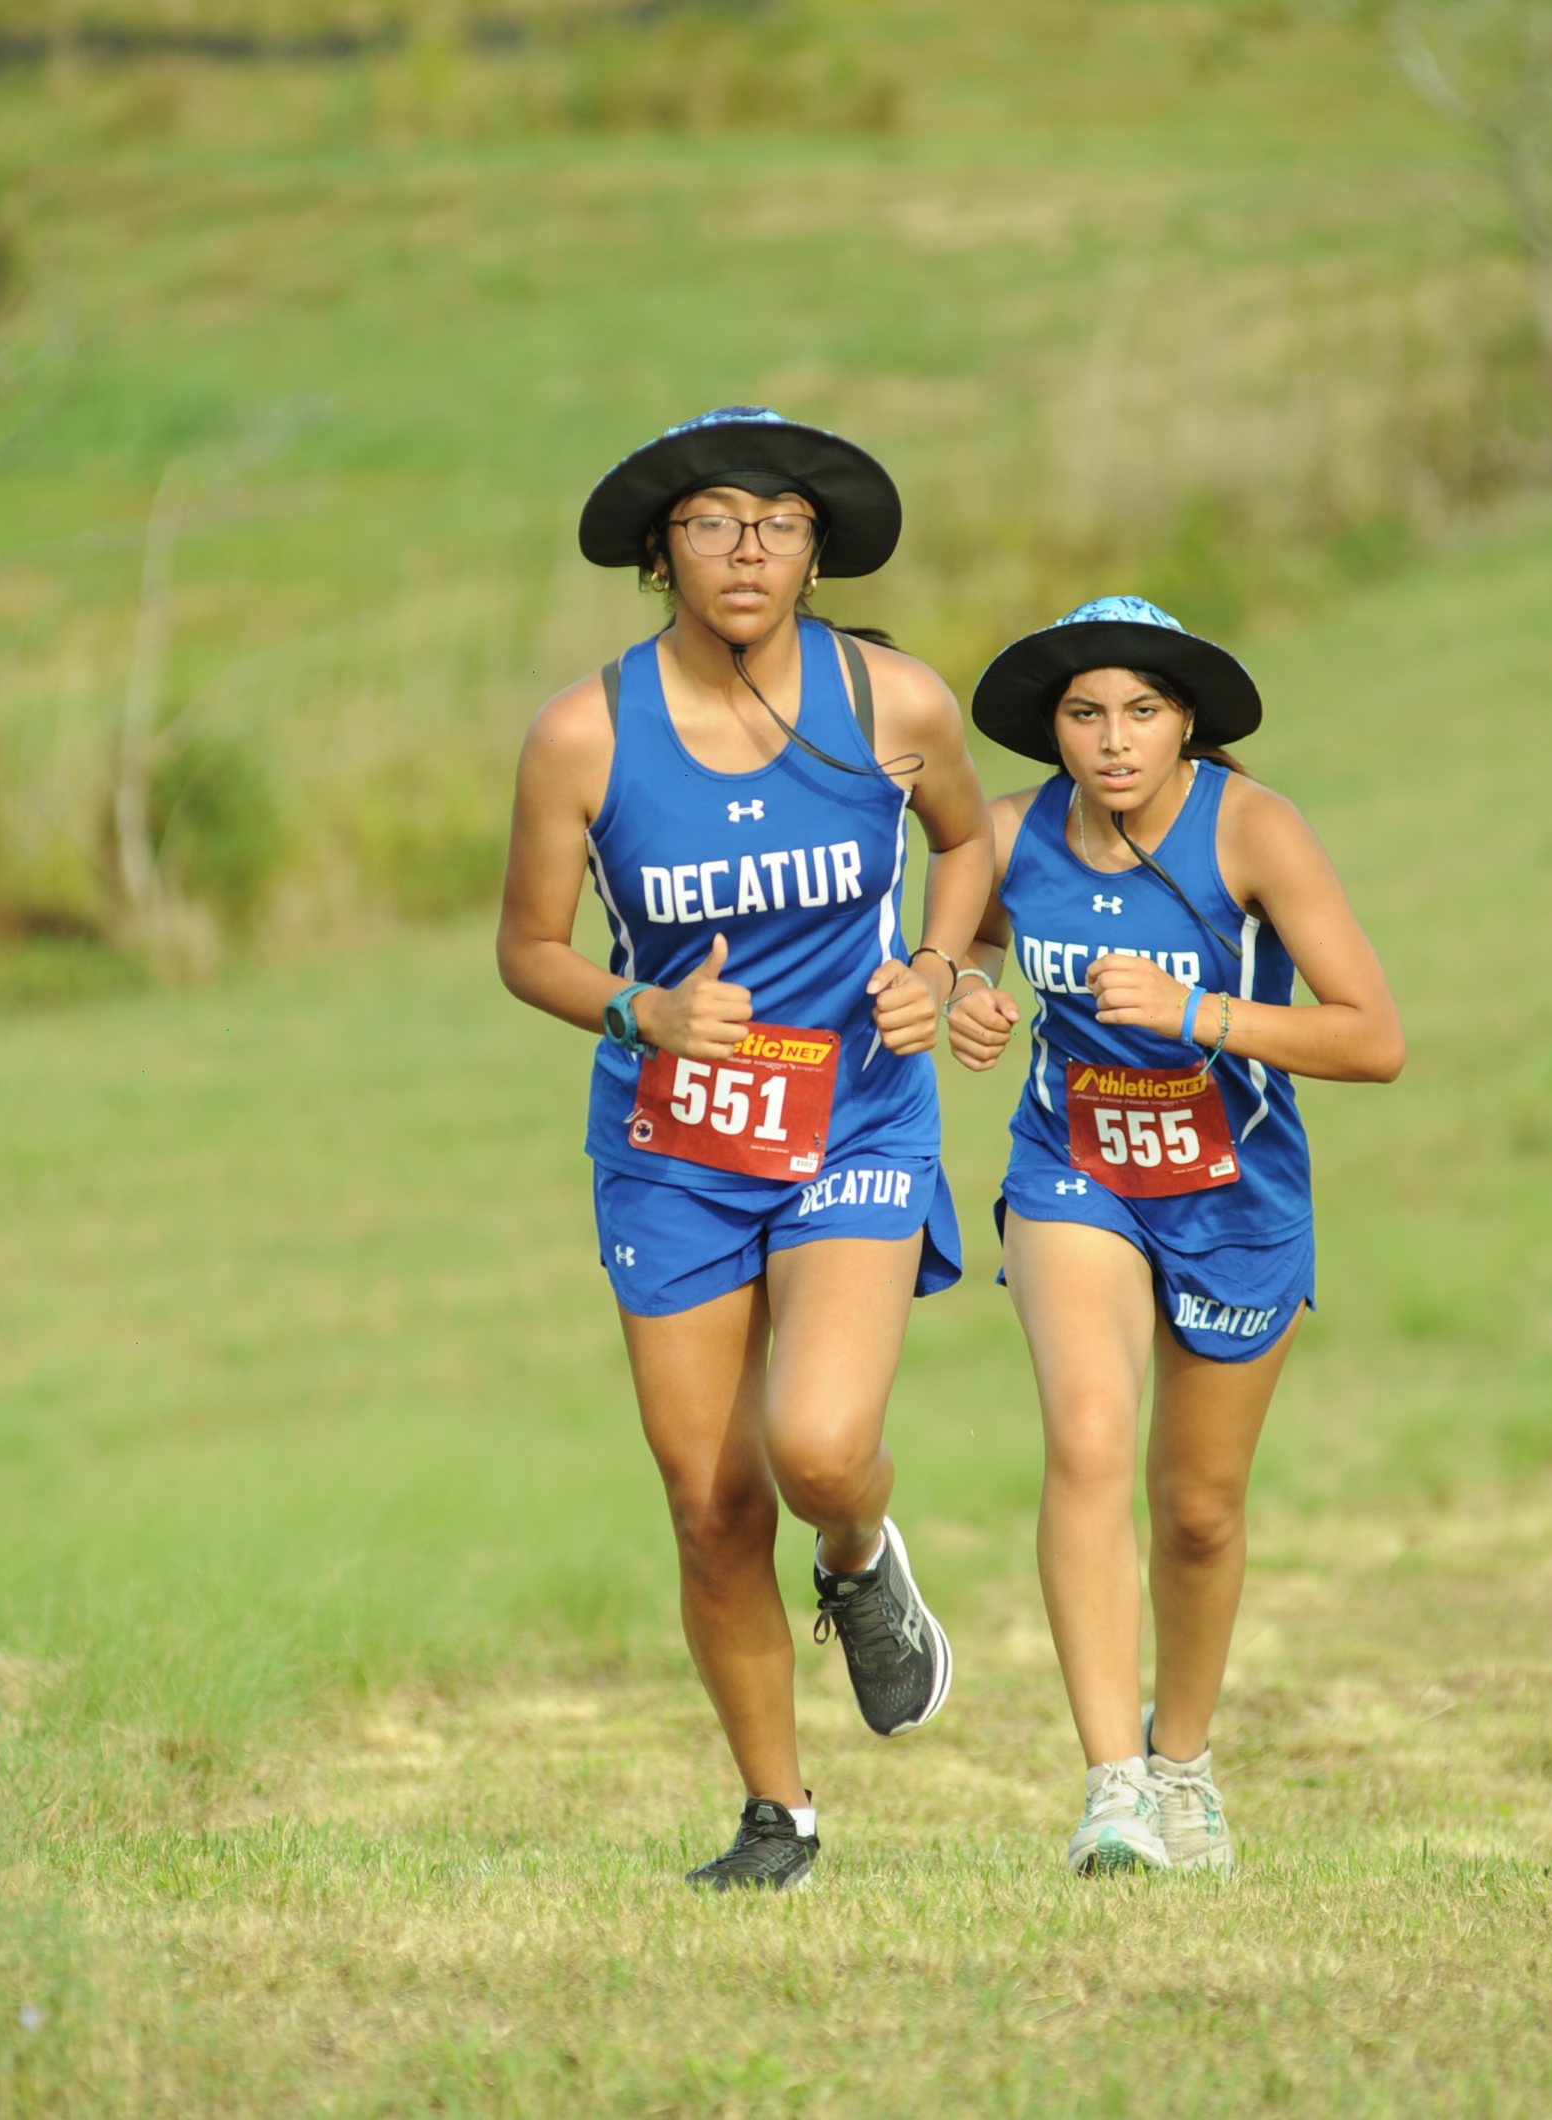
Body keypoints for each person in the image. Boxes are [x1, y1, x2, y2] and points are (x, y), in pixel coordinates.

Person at [495, 408, 996, 1890]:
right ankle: (780, 1817)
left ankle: (858, 1560)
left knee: (820, 1448)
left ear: (817, 547)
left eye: (777, 524)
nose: (747, 551)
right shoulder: (583, 734)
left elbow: (967, 847)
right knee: (710, 1499)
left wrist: (942, 970)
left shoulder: (896, 702)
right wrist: (639, 1007)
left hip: (852, 1114)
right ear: (663, 550)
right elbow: (528, 947)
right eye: (712, 522)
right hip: (675, 1145)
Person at [943, 597, 1403, 1876]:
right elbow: (950, 946)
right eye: (1085, 714)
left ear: (1186, 718)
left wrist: (1200, 1013)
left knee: (1198, 1508)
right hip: (1072, 1168)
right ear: (1055, 729)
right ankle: (1111, 1788)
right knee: (1088, 1436)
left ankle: (1182, 1761)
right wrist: (967, 996)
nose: (1113, 739)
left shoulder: (1255, 829)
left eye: (1141, 711)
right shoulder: (1010, 834)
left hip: (1235, 1190)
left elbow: (1373, 1037)